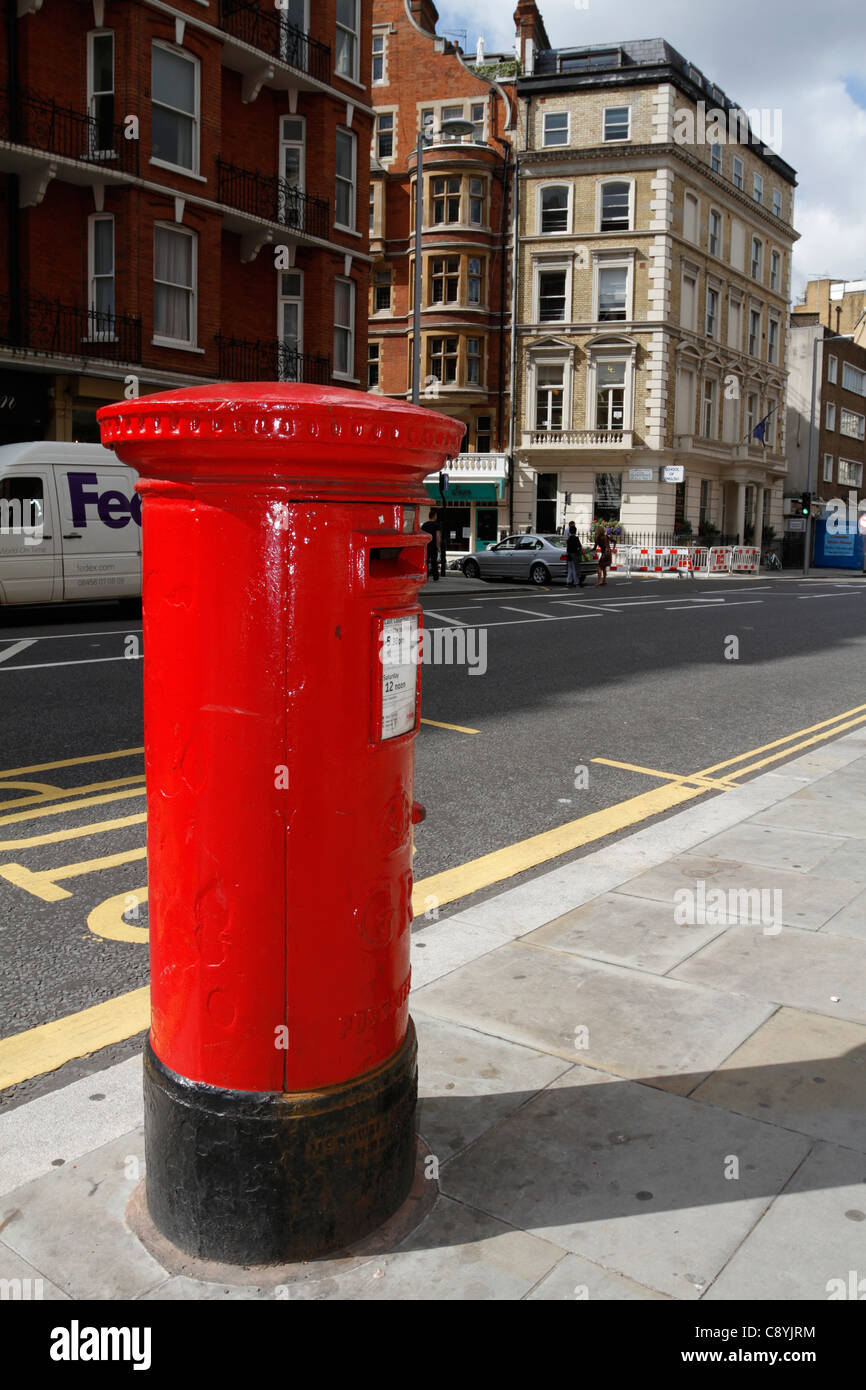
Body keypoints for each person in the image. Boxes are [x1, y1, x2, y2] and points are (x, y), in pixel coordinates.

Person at [421, 508, 441, 582]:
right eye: (436, 515)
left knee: (425, 561)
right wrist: (438, 546)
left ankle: (425, 576)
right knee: (434, 561)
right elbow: (437, 536)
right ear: (434, 516)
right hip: (433, 545)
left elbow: (422, 535)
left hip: (426, 545)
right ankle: (435, 577)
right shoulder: (436, 525)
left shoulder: (424, 525)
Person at [565, 521, 582, 587]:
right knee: (575, 569)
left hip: (569, 555)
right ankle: (576, 582)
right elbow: (579, 547)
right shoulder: (576, 538)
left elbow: (567, 547)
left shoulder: (568, 539)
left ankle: (568, 581)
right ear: (575, 531)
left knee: (570, 569)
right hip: (575, 555)